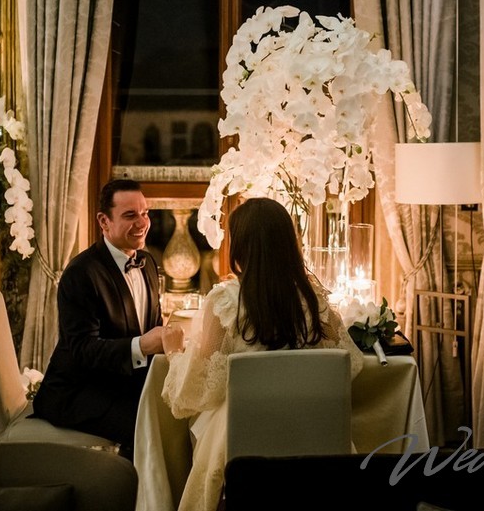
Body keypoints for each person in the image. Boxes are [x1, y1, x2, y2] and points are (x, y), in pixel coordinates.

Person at [160, 197, 363, 511]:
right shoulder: (312, 298)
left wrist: (174, 355)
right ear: (288, 244)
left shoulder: (225, 301)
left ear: (240, 246)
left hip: (242, 447)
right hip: (312, 440)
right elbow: (349, 364)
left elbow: (201, 391)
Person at [32, 179, 169, 457]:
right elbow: (83, 349)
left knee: (177, 409)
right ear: (103, 221)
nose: (142, 223)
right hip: (76, 391)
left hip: (122, 383)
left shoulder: (148, 264)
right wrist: (142, 346)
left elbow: (153, 330)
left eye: (145, 213)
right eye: (130, 215)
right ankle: (130, 493)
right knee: (148, 424)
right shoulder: (81, 274)